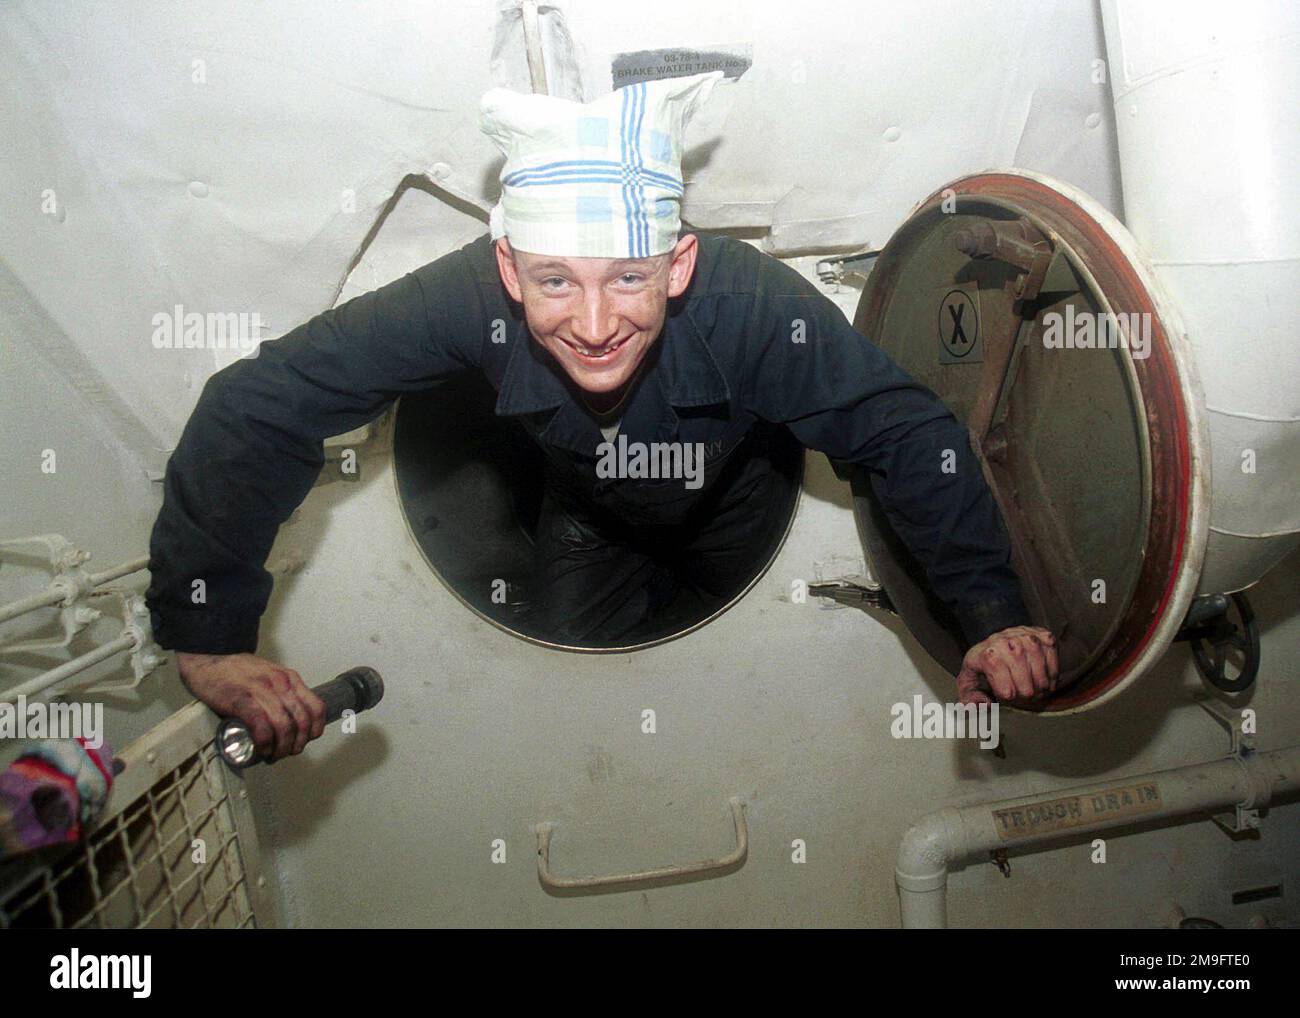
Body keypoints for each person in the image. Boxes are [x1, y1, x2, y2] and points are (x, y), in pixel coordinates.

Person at [146, 71, 1058, 763]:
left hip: (733, 504)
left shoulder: (749, 306)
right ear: (508, 272)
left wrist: (989, 609)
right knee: (588, 711)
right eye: (554, 282)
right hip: (587, 520)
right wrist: (208, 635)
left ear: (680, 266)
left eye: (628, 277)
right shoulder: (467, 297)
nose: (592, 326)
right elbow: (261, 405)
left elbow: (901, 430)